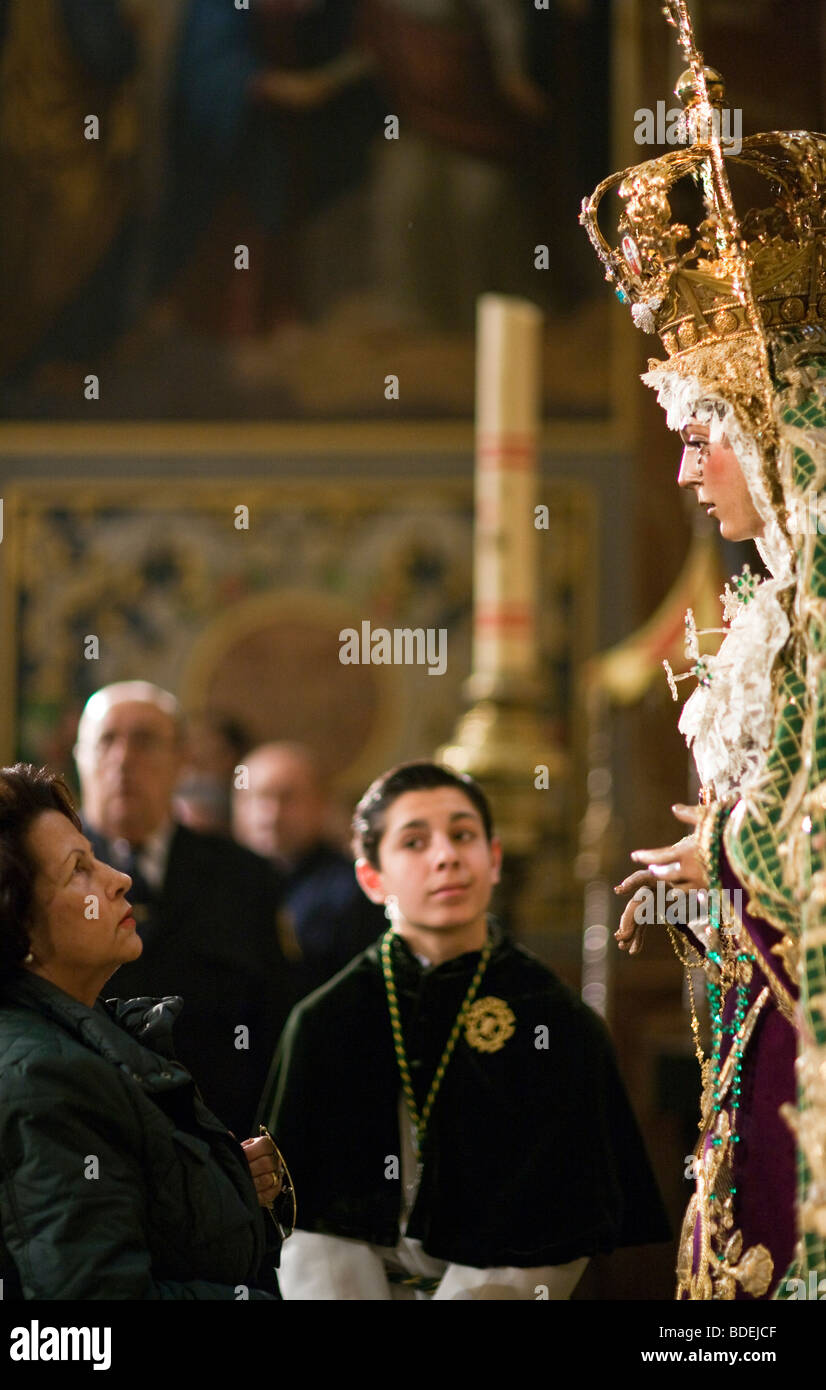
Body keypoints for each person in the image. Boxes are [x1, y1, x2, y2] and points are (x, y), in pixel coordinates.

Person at [579, 2, 826, 1296]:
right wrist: (715, 842)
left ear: (766, 424)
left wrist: (721, 848)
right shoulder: (787, 596)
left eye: (696, 434)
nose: (683, 472)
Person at [260, 761, 671, 1299]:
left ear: (493, 858)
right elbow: (301, 1217)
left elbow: (559, 1214)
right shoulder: (324, 1020)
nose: (447, 856)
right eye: (414, 841)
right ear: (371, 876)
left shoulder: (553, 1016)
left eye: (463, 835)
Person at [0, 763, 285, 1299]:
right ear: (14, 924)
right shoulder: (46, 1077)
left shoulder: (47, 1034)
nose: (118, 879)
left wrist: (220, 1184)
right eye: (79, 870)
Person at [75, 681, 291, 1138]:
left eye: (145, 740)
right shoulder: (46, 878)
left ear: (181, 760)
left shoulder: (244, 877)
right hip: (85, 1134)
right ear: (80, 757)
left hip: (215, 1138)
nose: (123, 758)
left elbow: (274, 1022)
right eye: (106, 740)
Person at [232, 741, 385, 991]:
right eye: (256, 797)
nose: (270, 814)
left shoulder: (353, 890)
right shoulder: (215, 881)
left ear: (321, 803)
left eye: (287, 798)